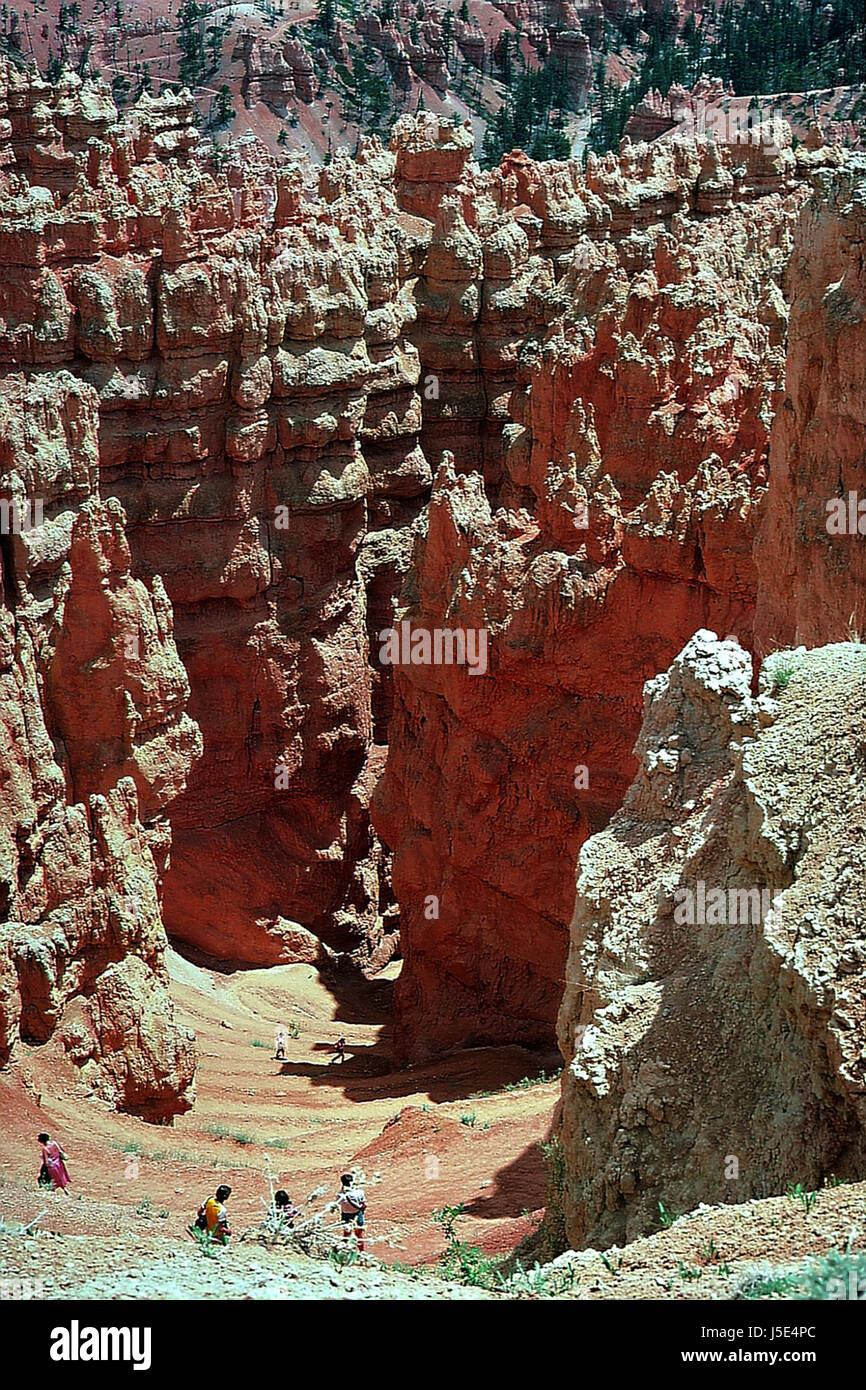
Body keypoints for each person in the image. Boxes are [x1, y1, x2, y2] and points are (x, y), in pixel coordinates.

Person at [334, 1172, 366, 1252]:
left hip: (345, 1215)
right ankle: (361, 1252)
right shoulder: (359, 1193)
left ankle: (343, 1251)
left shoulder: (339, 1195)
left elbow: (338, 1203)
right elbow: (363, 1203)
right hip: (357, 1214)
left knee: (346, 1234)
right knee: (359, 1235)